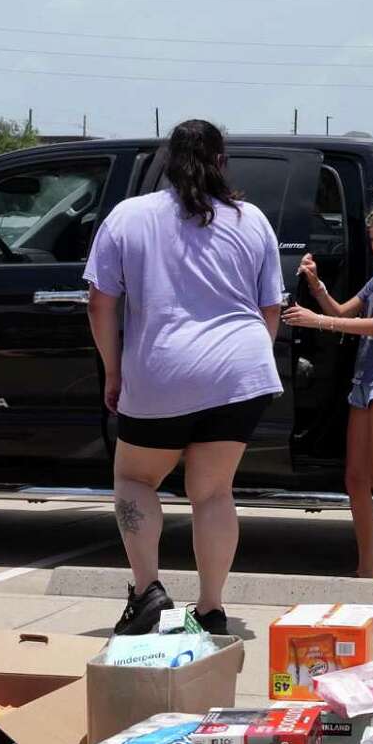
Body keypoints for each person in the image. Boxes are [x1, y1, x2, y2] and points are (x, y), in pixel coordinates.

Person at [84, 119, 283, 636]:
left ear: (166, 164)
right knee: (213, 491)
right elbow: (271, 309)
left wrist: (114, 369)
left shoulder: (129, 216)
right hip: (242, 368)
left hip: (162, 369)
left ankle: (148, 592)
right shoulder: (252, 219)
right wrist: (244, 363)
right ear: (221, 163)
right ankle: (212, 607)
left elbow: (100, 303)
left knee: (135, 478)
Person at [283, 199, 373, 581]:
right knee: (355, 476)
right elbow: (342, 313)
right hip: (365, 382)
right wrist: (316, 285)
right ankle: (366, 566)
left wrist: (316, 321)